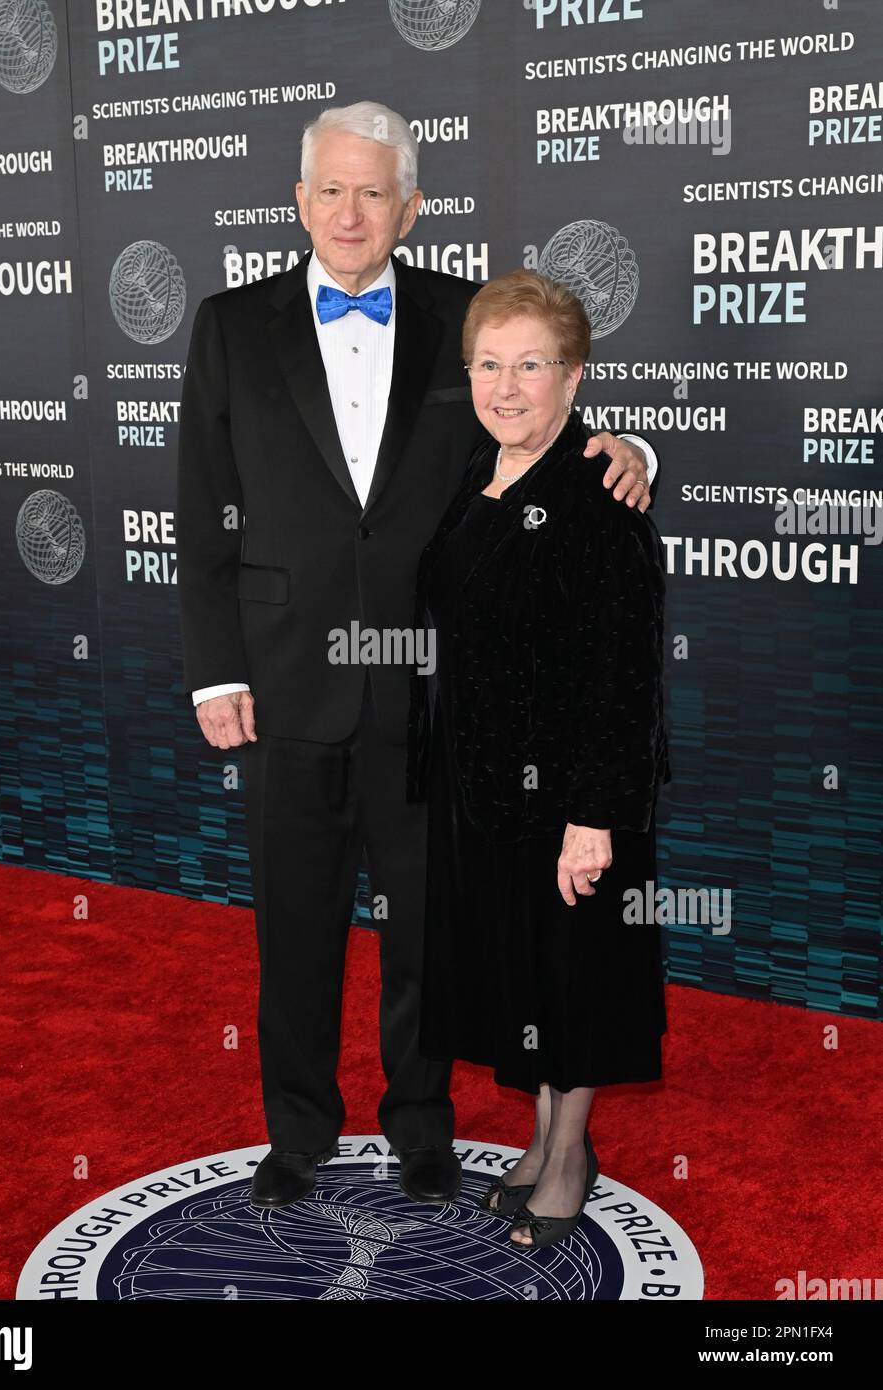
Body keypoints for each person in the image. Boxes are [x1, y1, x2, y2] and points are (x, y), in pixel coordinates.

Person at [176, 101, 659, 1210]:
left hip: (439, 699)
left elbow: (538, 412)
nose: (351, 211)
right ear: (299, 201)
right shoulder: (228, 324)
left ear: (413, 205)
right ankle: (296, 1132)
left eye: (374, 190)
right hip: (286, 683)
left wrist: (635, 449)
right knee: (292, 929)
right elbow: (203, 513)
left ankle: (422, 1125)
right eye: (331, 189)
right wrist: (216, 669)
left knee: (426, 937)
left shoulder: (459, 315)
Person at [406, 270, 669, 1250]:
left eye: (532, 365)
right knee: (523, 977)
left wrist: (595, 813)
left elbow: (626, 670)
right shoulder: (479, 461)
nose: (507, 386)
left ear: (575, 376)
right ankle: (541, 1133)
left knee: (574, 977)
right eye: (489, 363)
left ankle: (570, 1155)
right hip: (483, 788)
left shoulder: (600, 491)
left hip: (571, 792)